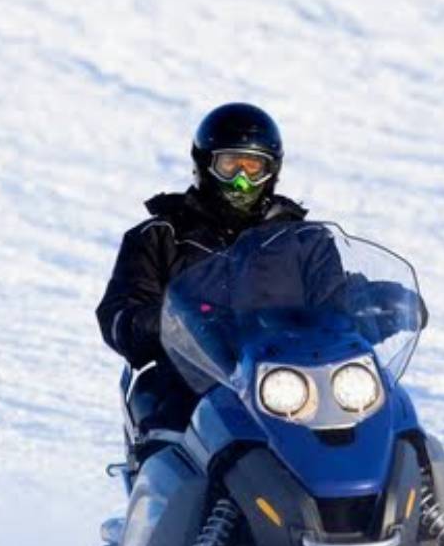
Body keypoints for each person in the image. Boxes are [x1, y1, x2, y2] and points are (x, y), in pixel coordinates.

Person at [96, 102, 308, 431]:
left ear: (272, 171)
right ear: (204, 164)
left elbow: (336, 295)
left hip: (294, 384)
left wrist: (378, 302)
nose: (241, 181)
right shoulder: (159, 236)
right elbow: (120, 316)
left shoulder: (302, 240)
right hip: (195, 383)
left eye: (253, 168)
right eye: (230, 166)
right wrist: (169, 320)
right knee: (172, 436)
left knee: (383, 413)